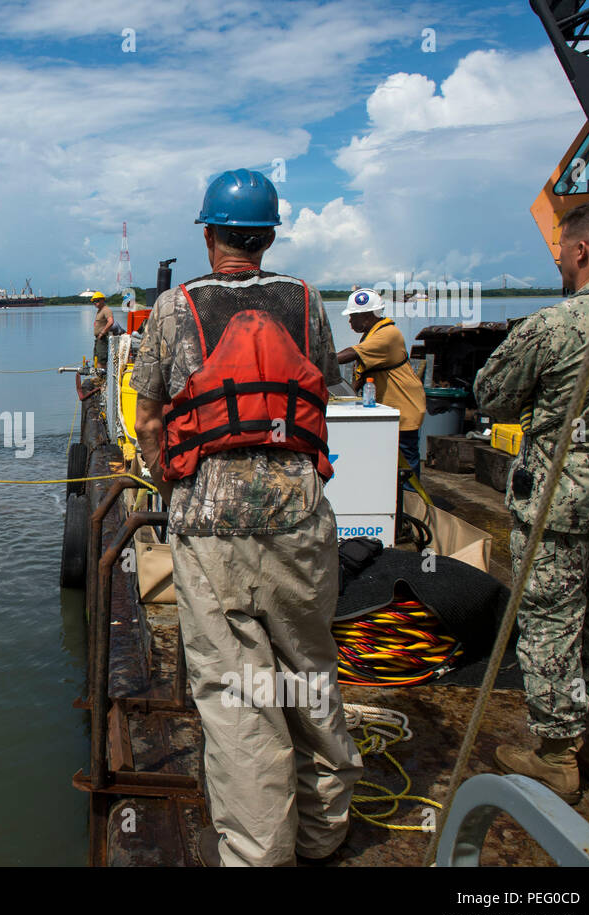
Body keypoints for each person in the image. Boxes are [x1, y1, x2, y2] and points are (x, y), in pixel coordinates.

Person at [132, 168, 363, 866]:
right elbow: (322, 382)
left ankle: (261, 853)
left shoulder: (175, 308)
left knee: (238, 694)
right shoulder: (305, 299)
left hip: (210, 520)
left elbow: (146, 415)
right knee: (308, 666)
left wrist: (162, 478)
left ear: (209, 235)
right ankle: (326, 829)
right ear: (266, 237)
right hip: (300, 514)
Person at [475, 196, 589, 803]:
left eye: (561, 249)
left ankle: (557, 753)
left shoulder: (558, 325)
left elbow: (492, 398)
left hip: (558, 508)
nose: (559, 259)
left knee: (550, 622)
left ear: (582, 251)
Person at [335, 289, 427, 479]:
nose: (350, 321)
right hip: (389, 409)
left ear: (367, 316)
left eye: (353, 316)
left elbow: (350, 354)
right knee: (388, 464)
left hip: (404, 409)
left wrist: (315, 360)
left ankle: (412, 505)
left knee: (406, 467)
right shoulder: (372, 334)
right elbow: (363, 372)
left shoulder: (388, 335)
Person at [91, 291, 113, 368]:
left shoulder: (106, 310)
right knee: (96, 358)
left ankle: (102, 378)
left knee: (101, 359)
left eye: (97, 301)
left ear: (102, 300)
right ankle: (98, 377)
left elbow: (111, 322)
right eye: (94, 301)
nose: (95, 303)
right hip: (98, 338)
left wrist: (102, 333)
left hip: (103, 338)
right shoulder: (99, 311)